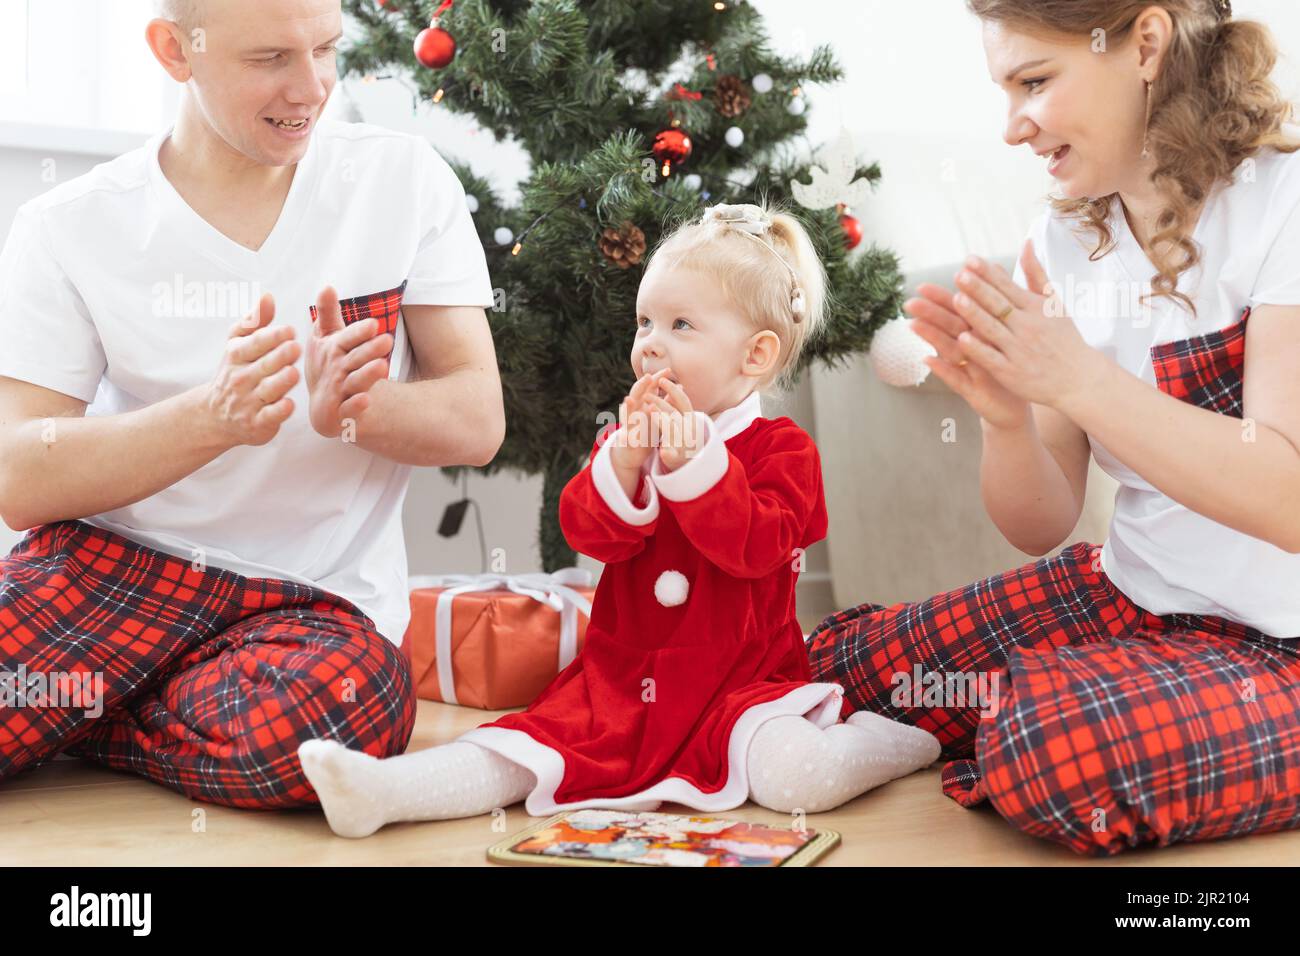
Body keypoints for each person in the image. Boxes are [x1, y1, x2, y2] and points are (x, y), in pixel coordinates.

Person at [808, 0, 1300, 856]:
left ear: (1144, 44)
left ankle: (1080, 709)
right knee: (835, 671)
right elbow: (1041, 524)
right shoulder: (1068, 239)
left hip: (1280, 644)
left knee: (1052, 745)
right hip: (1136, 600)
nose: (1011, 128)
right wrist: (1005, 422)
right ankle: (1117, 694)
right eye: (1005, 91)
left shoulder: (1281, 202)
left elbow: (1285, 494)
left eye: (1034, 82)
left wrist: (1076, 375)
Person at [299, 202, 941, 838]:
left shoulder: (783, 450)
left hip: (739, 686)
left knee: (798, 780)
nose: (651, 342)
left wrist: (696, 467)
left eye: (681, 324)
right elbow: (590, 534)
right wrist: (626, 462)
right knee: (523, 750)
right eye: (644, 322)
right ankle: (383, 791)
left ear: (754, 355)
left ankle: (887, 742)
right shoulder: (630, 439)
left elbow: (756, 549)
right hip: (623, 681)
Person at [0, 0, 503, 808]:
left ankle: (87, 713)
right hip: (112, 573)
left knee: (341, 717)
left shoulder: (402, 180)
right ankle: (135, 706)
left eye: (327, 50)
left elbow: (479, 419)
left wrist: (362, 410)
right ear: (175, 51)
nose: (310, 87)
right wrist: (210, 420)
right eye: (270, 59)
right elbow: (20, 476)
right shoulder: (68, 224)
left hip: (314, 607)